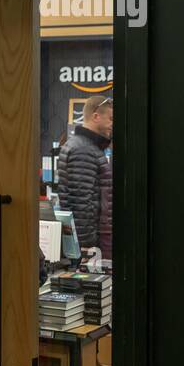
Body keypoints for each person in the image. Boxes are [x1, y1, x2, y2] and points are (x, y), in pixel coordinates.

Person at [56, 95, 113, 261]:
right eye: (110, 118)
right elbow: (80, 202)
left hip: (92, 237)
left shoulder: (87, 147)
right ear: (96, 116)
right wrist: (88, 247)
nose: (112, 123)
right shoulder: (84, 150)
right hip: (92, 242)